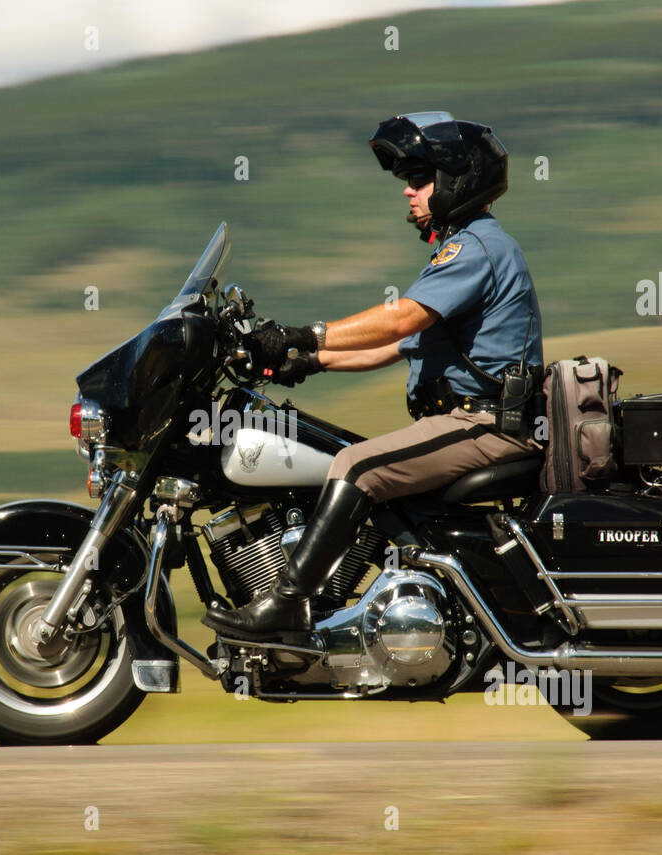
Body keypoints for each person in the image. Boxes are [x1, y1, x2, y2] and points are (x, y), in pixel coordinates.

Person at [203, 111, 544, 648]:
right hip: (466, 423)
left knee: (355, 466)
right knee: (343, 454)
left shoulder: (476, 248)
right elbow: (395, 346)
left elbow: (400, 319)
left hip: (485, 426)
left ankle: (288, 607)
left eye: (420, 180)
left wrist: (303, 334)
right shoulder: (468, 247)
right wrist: (305, 361)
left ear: (459, 181)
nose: (408, 191)